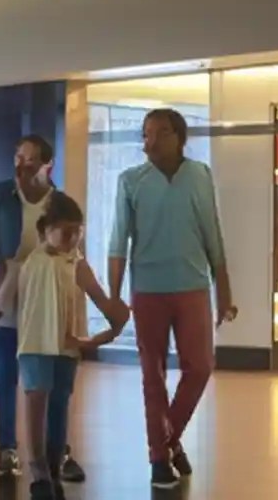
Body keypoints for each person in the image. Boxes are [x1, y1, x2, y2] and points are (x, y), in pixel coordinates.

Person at [0, 192, 128, 500]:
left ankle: (54, 468)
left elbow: (108, 309)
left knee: (59, 408)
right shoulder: (24, 266)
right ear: (46, 229)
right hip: (34, 347)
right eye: (65, 230)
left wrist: (96, 336)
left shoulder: (78, 265)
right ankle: (39, 471)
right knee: (36, 405)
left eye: (78, 231)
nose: (72, 238)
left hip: (65, 352)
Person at [108, 108, 237, 489]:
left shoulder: (199, 175)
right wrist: (113, 299)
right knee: (153, 377)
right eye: (145, 134)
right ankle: (158, 458)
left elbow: (212, 233)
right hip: (147, 289)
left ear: (179, 137)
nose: (150, 141)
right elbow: (118, 241)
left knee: (200, 366)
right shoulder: (131, 181)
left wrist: (224, 290)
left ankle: (167, 440)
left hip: (193, 286)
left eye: (159, 133)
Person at [0, 135, 87, 481]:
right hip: (10, 299)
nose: (22, 164)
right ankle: (7, 448)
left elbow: (74, 255)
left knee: (56, 384)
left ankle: (56, 451)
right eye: (18, 157)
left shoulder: (61, 204)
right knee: (7, 377)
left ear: (48, 166)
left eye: (32, 159)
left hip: (50, 306)